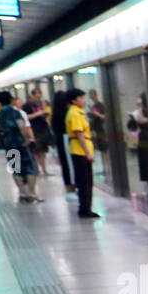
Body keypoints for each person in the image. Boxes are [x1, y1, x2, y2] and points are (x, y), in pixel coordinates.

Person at [0, 91, 41, 203]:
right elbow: (22, 126)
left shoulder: (0, 113)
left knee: (16, 169)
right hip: (20, 143)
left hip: (8, 144)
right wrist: (26, 139)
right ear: (11, 100)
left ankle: (22, 193)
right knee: (30, 167)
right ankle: (32, 193)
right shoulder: (15, 112)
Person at [64, 87, 98, 219]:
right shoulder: (75, 114)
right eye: (81, 98)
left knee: (86, 180)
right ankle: (85, 209)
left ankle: (86, 207)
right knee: (85, 181)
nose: (84, 100)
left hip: (80, 150)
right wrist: (88, 153)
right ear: (74, 100)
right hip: (80, 151)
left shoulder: (78, 112)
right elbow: (80, 135)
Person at [127, 94, 148, 193]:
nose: (139, 106)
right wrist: (133, 119)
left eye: (141, 104)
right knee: (144, 161)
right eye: (137, 104)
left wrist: (144, 120)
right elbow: (131, 127)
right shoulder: (137, 113)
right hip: (142, 138)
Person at [22, 89, 52, 177]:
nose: (38, 98)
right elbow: (26, 117)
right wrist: (37, 114)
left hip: (42, 129)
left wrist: (44, 114)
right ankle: (37, 169)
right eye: (37, 96)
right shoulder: (27, 106)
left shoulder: (40, 104)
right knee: (35, 150)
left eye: (39, 96)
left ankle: (44, 169)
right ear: (32, 95)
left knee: (43, 150)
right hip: (34, 129)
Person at [50, 90, 75, 193]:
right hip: (67, 139)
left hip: (60, 139)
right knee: (70, 162)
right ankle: (73, 183)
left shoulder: (54, 113)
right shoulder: (68, 112)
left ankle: (68, 184)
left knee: (65, 163)